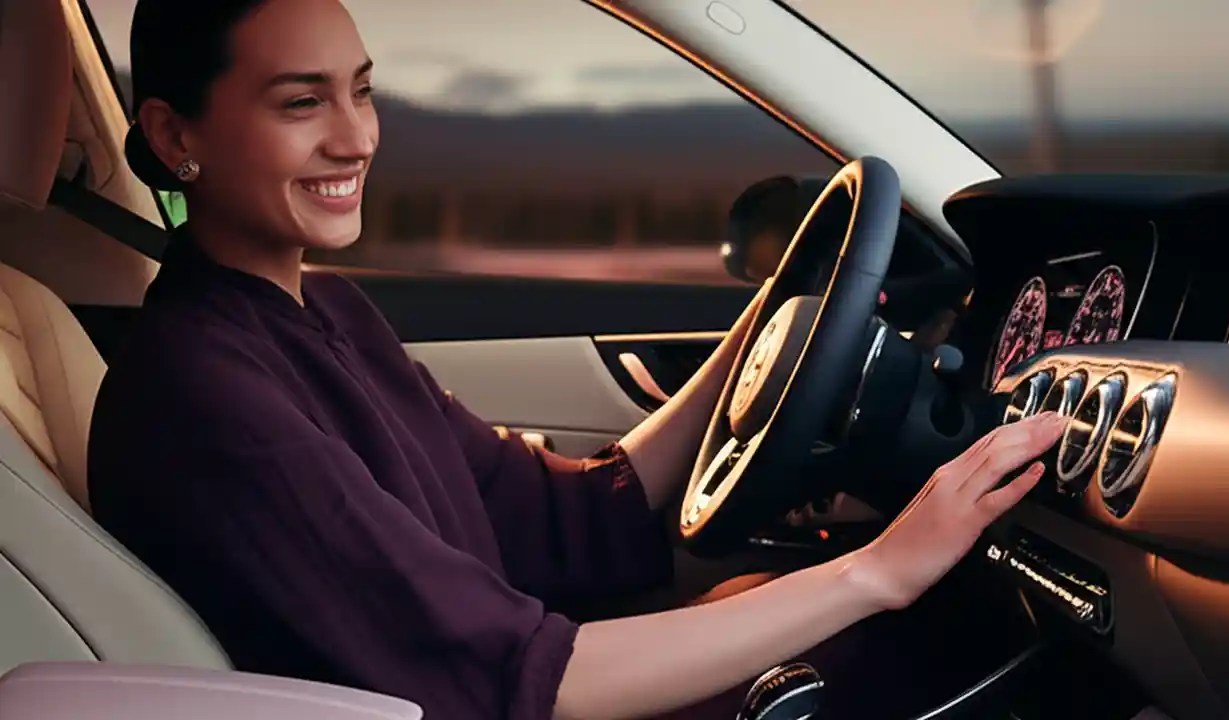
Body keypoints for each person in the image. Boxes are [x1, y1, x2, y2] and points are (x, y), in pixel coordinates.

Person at [86, 1, 1068, 719]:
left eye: (362, 92)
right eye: (302, 104)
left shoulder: (323, 314)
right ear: (176, 134)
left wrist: (777, 324)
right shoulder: (200, 396)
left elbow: (555, 518)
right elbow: (517, 677)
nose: (356, 138)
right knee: (942, 647)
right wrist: (880, 572)